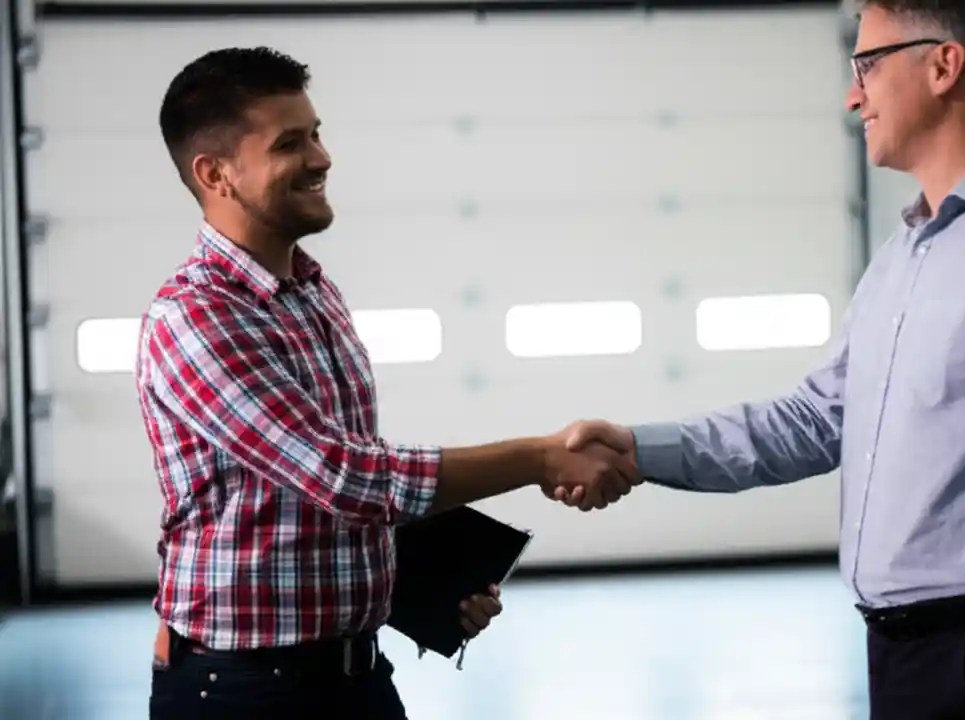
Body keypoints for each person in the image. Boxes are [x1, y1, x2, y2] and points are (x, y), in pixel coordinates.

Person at [560, 1, 965, 718]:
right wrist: (640, 448)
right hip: (903, 657)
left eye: (867, 64)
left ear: (943, 65)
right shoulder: (904, 257)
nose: (851, 94)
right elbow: (814, 420)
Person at [138, 47, 639, 720]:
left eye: (316, 133)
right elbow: (341, 474)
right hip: (242, 692)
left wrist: (419, 583)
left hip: (355, 676)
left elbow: (315, 489)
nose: (322, 157)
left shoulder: (312, 293)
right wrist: (538, 457)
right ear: (215, 174)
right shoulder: (197, 316)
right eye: (292, 143)